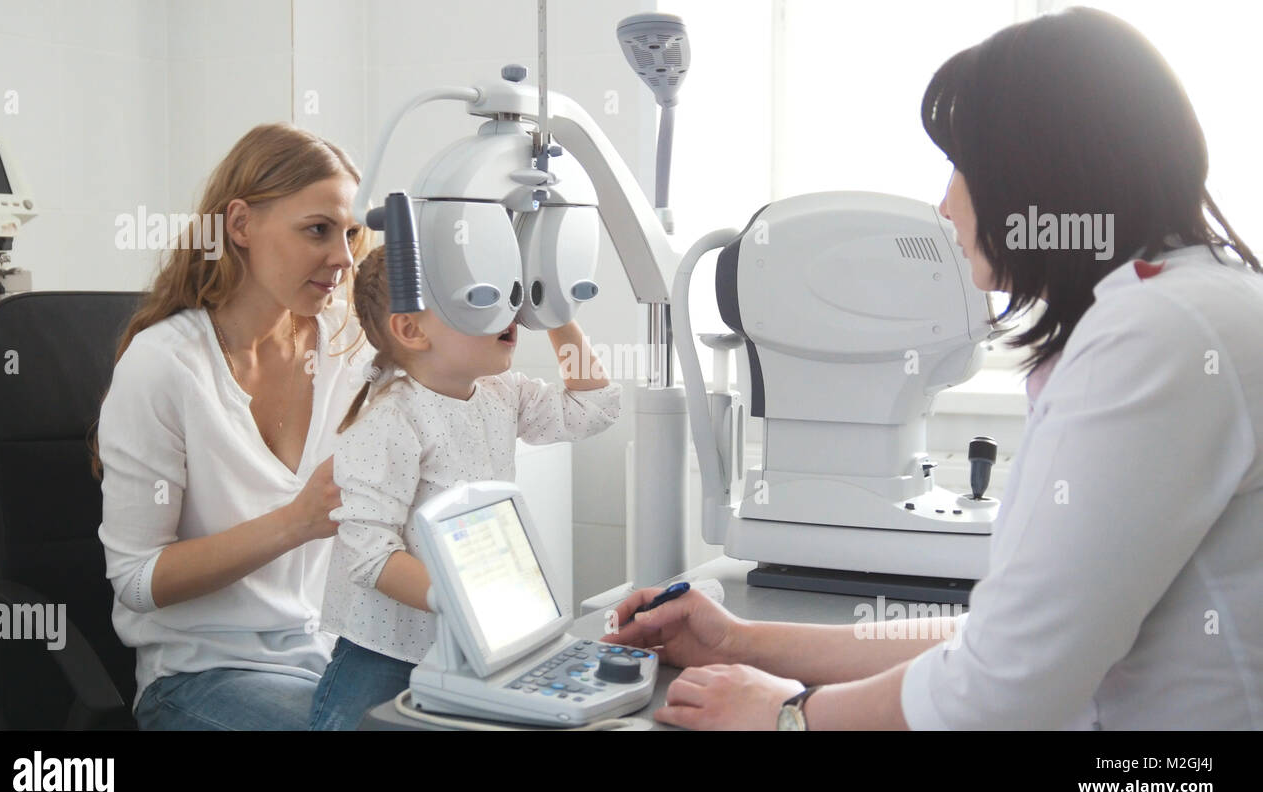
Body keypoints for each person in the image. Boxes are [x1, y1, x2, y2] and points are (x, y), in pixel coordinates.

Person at [604, 6, 1263, 730]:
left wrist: (789, 715)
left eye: (961, 166)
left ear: (1036, 175)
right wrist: (741, 640)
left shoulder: (1156, 333)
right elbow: (1001, 639)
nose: (943, 202)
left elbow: (1002, 687)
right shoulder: (1177, 308)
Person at [92, 123, 376, 730]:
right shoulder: (165, 365)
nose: (343, 259)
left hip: (330, 655)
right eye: (318, 230)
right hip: (201, 676)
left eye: (350, 233)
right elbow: (137, 581)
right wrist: (296, 523)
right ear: (241, 225)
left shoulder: (346, 352)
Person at [307, 244, 622, 730]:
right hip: (385, 653)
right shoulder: (392, 420)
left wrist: (555, 312)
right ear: (411, 330)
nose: (507, 310)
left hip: (469, 646)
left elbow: (593, 408)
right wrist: (470, 606)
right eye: (480, 298)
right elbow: (369, 555)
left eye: (509, 293)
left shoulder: (502, 394)